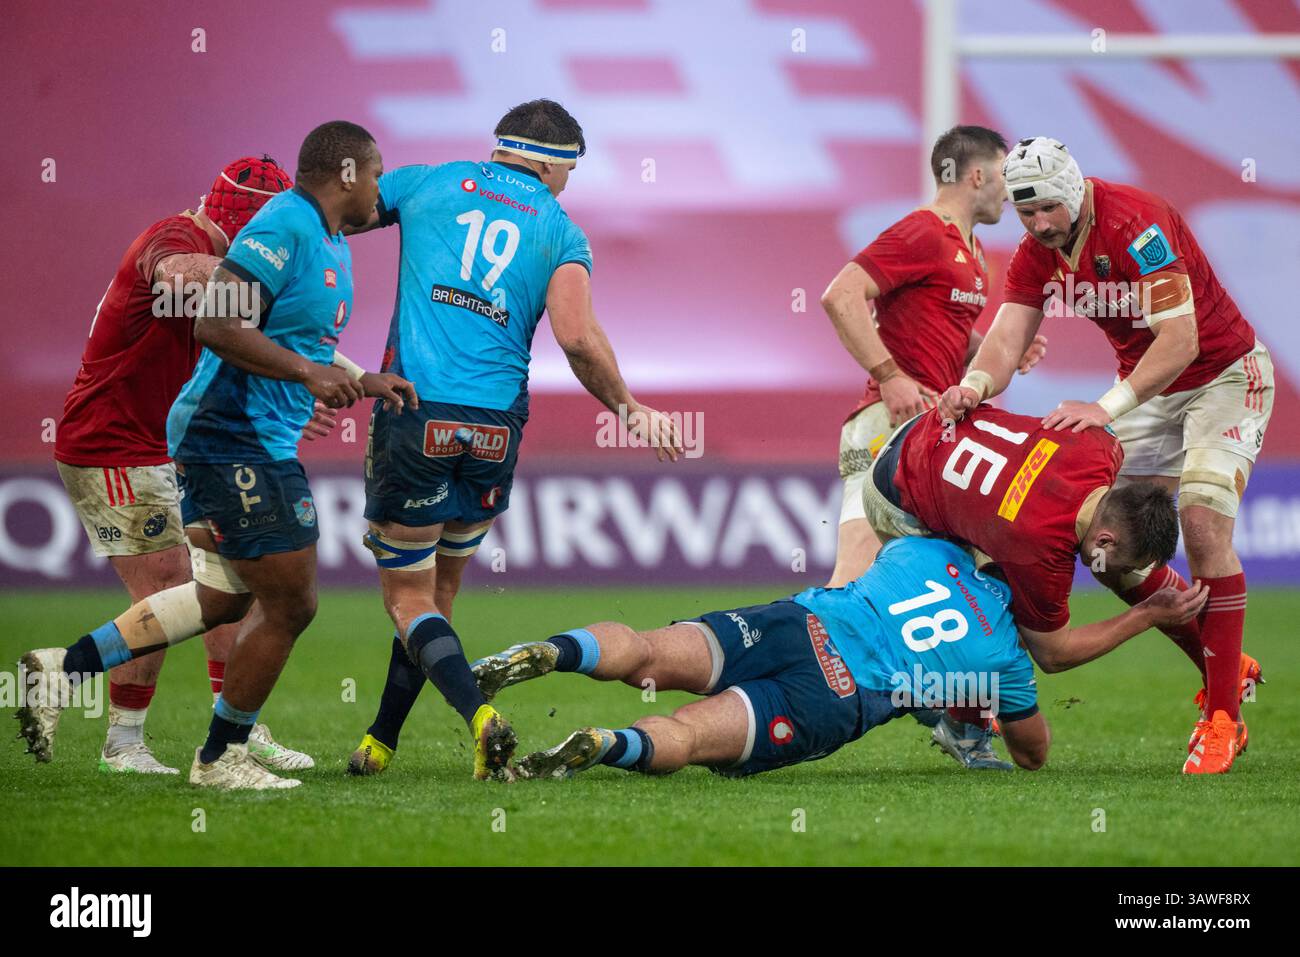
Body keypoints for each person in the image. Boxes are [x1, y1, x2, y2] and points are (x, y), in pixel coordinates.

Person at [18, 121, 414, 790]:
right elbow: (213, 318)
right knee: (290, 601)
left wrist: (356, 378)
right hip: (226, 436)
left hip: (241, 436)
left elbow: (298, 336)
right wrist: (302, 372)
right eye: (376, 173)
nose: (382, 187)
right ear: (347, 173)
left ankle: (66, 668)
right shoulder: (281, 225)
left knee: (219, 598)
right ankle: (218, 752)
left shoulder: (328, 240)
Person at [342, 98, 681, 777]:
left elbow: (338, 212)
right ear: (554, 168)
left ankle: (481, 715)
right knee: (434, 599)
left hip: (417, 409)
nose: (566, 188)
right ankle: (380, 739)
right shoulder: (559, 229)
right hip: (495, 428)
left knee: (407, 600)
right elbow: (577, 335)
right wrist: (627, 405)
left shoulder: (427, 181)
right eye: (569, 175)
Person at [940, 136, 1271, 774]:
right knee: (1106, 537)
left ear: (1078, 189)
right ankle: (1218, 652)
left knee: (1202, 526)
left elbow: (1181, 340)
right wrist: (974, 385)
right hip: (1148, 391)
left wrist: (1105, 407)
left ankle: (1222, 714)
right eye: (1026, 214)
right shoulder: (1039, 251)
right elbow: (1008, 335)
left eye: (1048, 210)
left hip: (1224, 377)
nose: (1038, 225)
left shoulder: (1134, 222)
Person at [473, 536, 1199, 780]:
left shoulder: (927, 549)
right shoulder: (1007, 656)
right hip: (836, 694)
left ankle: (552, 649)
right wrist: (972, 702)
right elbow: (1033, 750)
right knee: (692, 733)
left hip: (799, 621)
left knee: (650, 651)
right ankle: (604, 744)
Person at [46, 155, 310, 774]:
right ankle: (122, 741)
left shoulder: (222, 266)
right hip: (111, 444)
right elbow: (176, 276)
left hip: (167, 447)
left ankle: (234, 730)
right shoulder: (176, 236)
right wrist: (263, 275)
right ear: (243, 222)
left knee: (229, 585)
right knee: (167, 588)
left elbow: (240, 346)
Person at [821, 125, 1046, 588]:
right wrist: (889, 375)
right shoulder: (923, 231)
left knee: (965, 576)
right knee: (852, 581)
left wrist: (999, 350)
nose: (1012, 191)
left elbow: (947, 330)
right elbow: (840, 295)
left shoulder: (974, 251)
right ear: (978, 176)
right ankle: (806, 658)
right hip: (887, 423)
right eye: (1006, 175)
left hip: (934, 430)